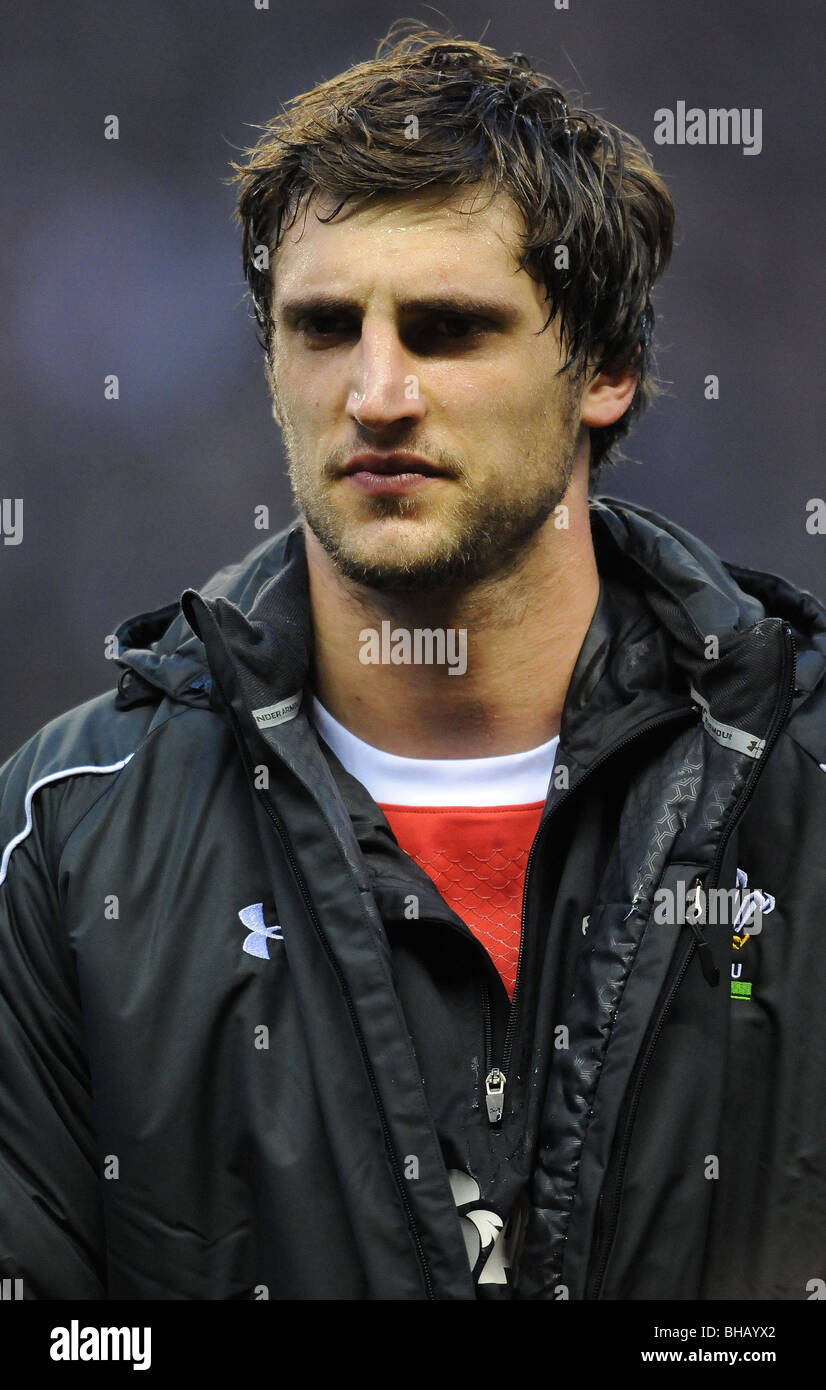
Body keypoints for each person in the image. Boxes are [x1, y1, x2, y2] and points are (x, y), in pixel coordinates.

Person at [1, 24, 824, 1302]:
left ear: (604, 368)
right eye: (325, 327)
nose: (376, 392)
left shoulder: (806, 795)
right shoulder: (64, 839)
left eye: (446, 329)